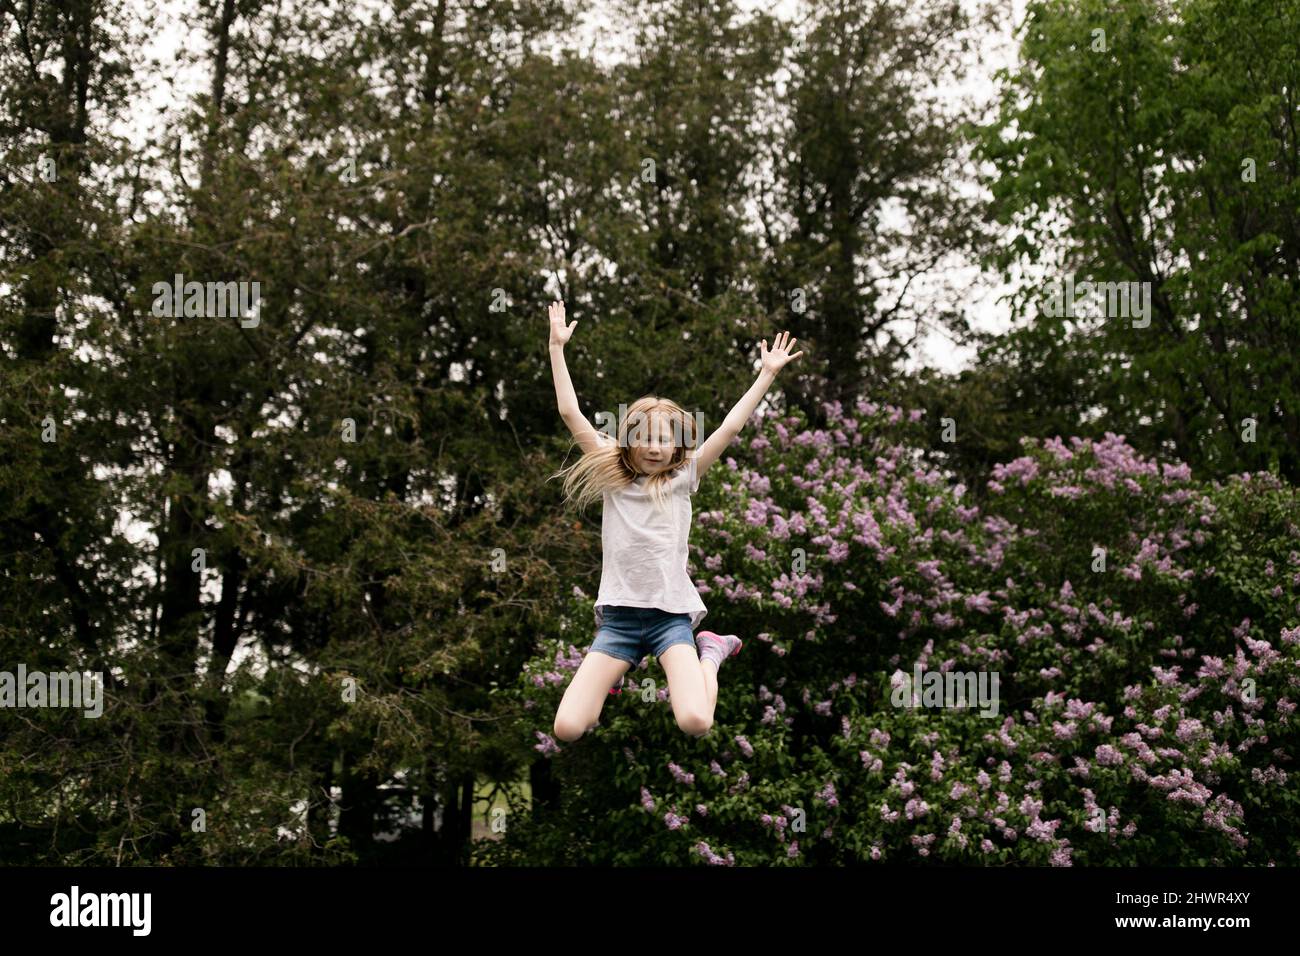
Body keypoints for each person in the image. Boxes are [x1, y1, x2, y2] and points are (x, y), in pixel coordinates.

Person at [544, 299, 803, 741]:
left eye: (663, 440)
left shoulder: (684, 477)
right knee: (568, 728)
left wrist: (767, 374)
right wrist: (556, 347)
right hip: (621, 621)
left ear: (677, 445)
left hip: (670, 619)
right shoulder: (612, 476)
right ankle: (613, 681)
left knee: (696, 722)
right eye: (643, 438)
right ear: (627, 441)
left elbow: (730, 428)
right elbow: (571, 413)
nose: (653, 447)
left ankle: (712, 651)